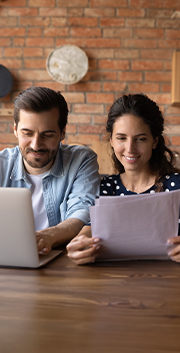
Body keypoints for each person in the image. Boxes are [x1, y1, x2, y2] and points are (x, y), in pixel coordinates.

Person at [67, 93, 180, 264]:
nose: (130, 149)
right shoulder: (106, 186)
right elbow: (90, 228)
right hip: (112, 283)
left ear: (155, 141)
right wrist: (79, 244)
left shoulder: (175, 184)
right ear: (111, 140)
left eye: (140, 139)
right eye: (121, 138)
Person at [0, 86, 100, 254]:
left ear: (62, 133)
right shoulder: (2, 163)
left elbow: (82, 212)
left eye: (47, 135)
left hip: (60, 261)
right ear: (15, 130)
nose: (36, 145)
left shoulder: (81, 159)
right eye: (27, 133)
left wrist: (48, 236)